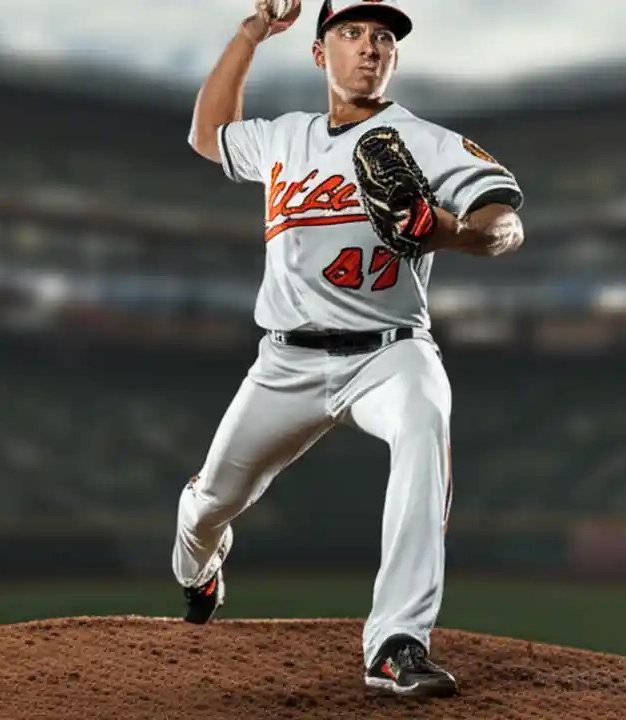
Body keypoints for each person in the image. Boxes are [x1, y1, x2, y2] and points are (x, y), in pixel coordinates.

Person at [174, 0, 525, 697]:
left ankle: (397, 640)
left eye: (384, 37)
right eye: (353, 32)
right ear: (319, 52)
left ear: (396, 57)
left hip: (389, 352)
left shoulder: (424, 141)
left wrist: (447, 229)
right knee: (211, 503)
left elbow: (505, 223)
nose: (370, 46)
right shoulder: (284, 139)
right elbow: (207, 136)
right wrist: (253, 31)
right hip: (285, 362)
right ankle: (200, 566)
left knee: (425, 421)